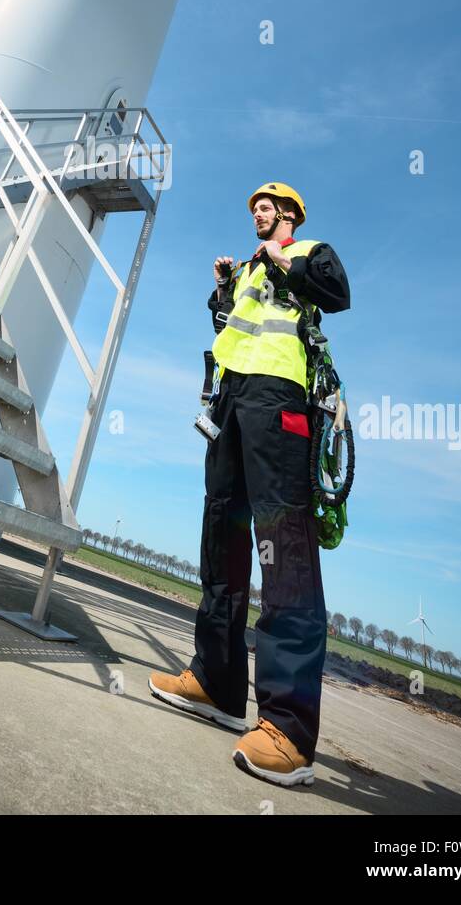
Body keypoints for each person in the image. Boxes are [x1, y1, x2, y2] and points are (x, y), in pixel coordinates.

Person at [148, 181, 350, 786]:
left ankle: (288, 728)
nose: (257, 212)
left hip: (281, 402)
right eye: (254, 207)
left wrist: (285, 257)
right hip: (231, 401)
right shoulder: (247, 270)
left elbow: (336, 294)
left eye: (267, 206)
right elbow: (229, 324)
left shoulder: (311, 249)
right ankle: (215, 681)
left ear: (289, 214)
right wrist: (223, 285)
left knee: (282, 543)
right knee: (223, 533)